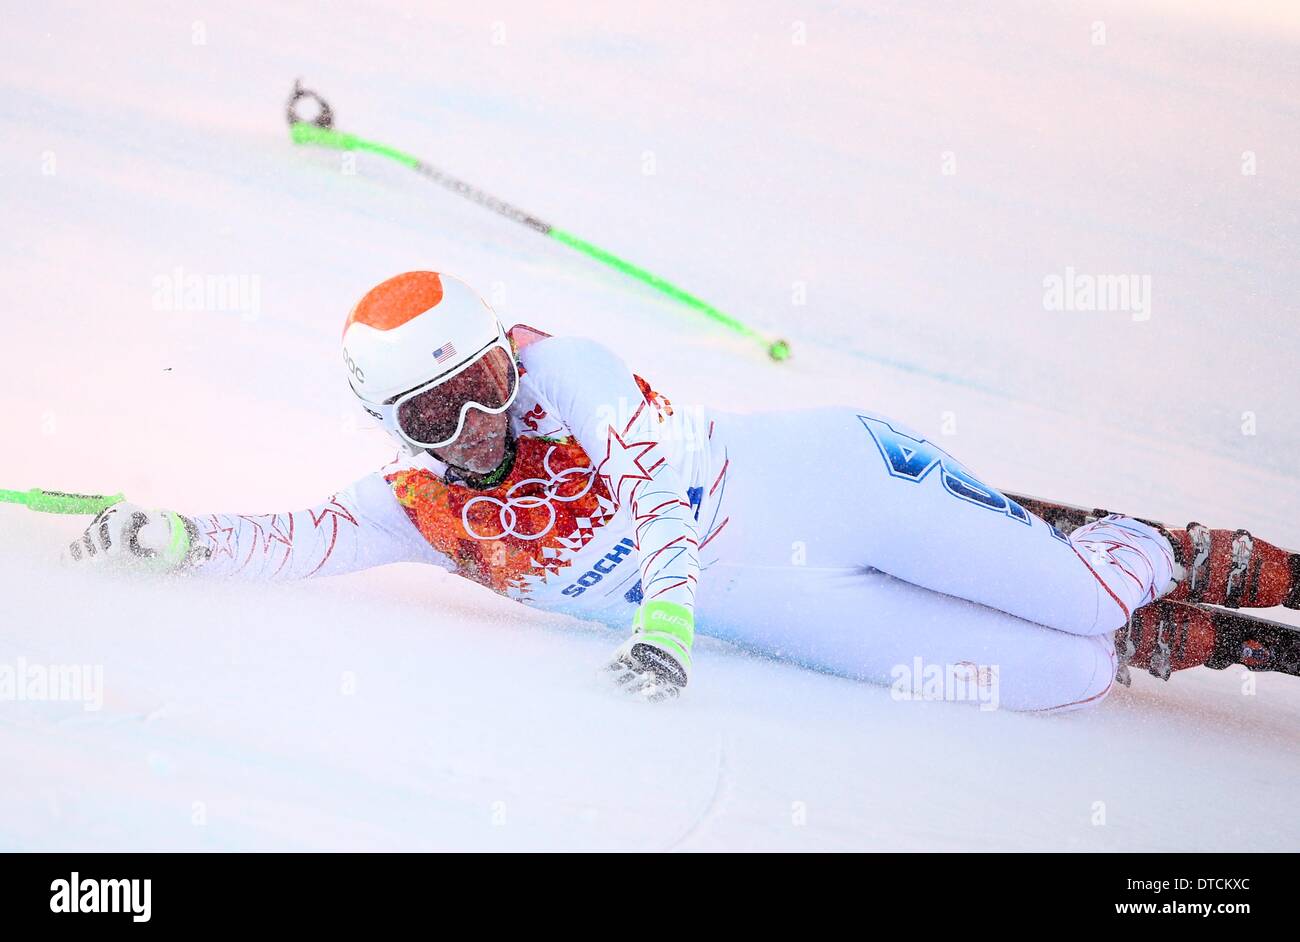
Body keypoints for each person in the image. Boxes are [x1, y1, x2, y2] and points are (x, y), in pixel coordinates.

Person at [65, 271, 1300, 709]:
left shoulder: (572, 373)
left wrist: (663, 619)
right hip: (790, 609)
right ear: (396, 425)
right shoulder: (419, 511)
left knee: (1082, 608)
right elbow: (295, 538)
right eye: (441, 411)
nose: (485, 419)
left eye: (485, 378)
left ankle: (1141, 547)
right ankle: (1148, 625)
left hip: (836, 491)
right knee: (1064, 679)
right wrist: (172, 534)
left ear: (509, 350)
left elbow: (657, 491)